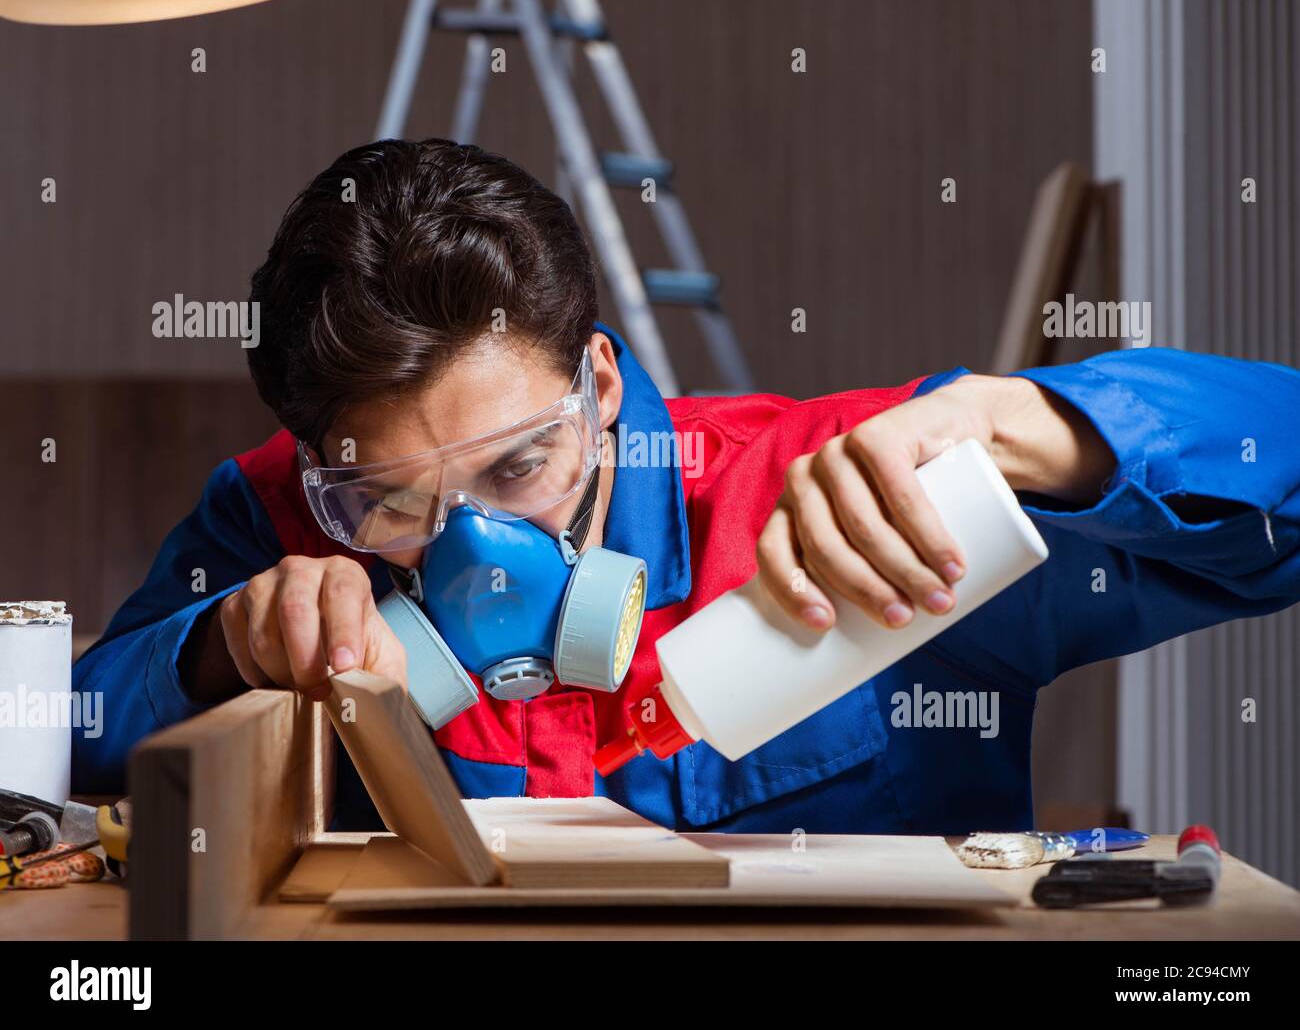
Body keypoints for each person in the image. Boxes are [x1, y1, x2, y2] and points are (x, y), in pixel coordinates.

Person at [73, 138, 1300, 833]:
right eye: (390, 501)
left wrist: (1029, 423)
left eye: (519, 464)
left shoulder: (850, 498)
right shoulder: (283, 519)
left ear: (599, 384)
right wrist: (218, 647)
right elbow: (64, 740)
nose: (470, 547)